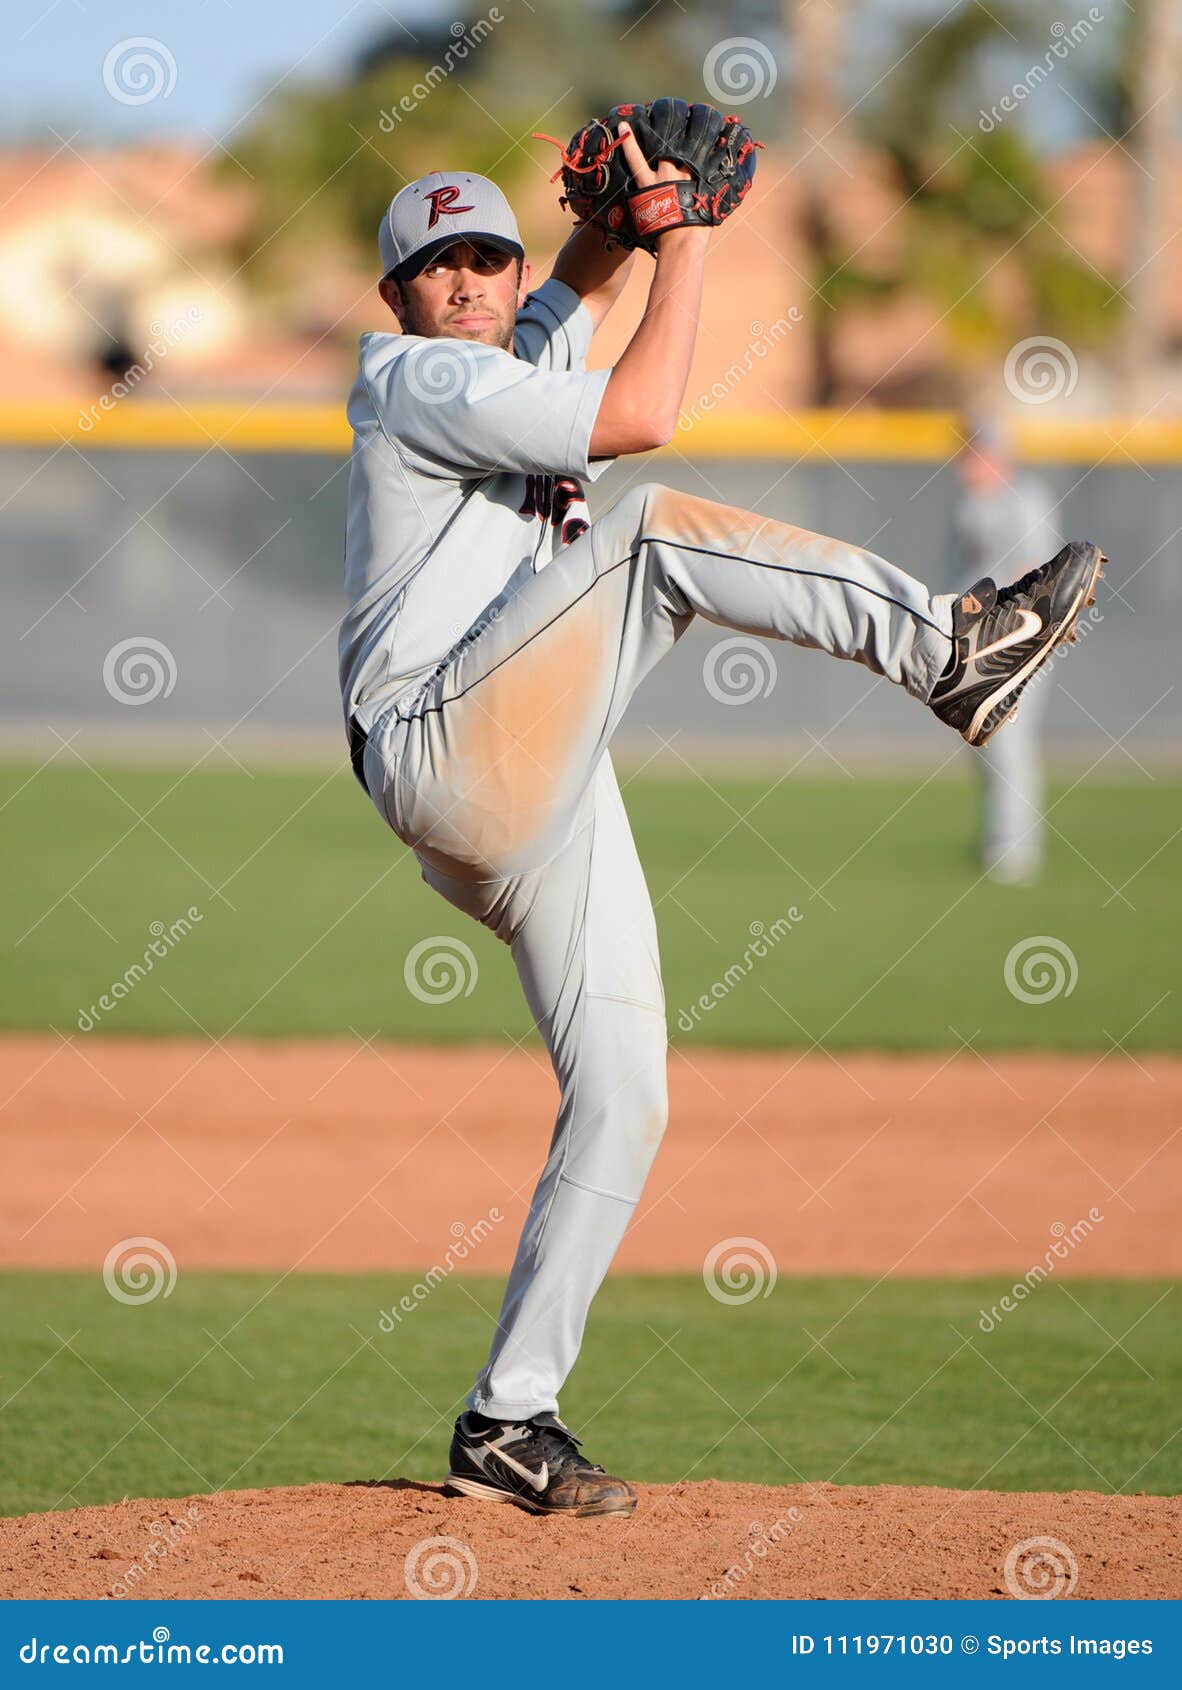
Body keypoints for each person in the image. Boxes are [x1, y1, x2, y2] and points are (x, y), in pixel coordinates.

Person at [339, 135, 1104, 1518]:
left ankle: (508, 1420)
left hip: (518, 779)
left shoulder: (507, 356)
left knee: (625, 1093)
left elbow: (558, 312)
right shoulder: (416, 378)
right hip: (441, 744)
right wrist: (681, 237)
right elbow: (639, 415)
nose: (463, 282)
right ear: (396, 294)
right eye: (433, 264)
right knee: (645, 531)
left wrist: (603, 227)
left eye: (483, 256)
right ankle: (950, 651)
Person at [952, 419, 1062, 884]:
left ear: (996, 455)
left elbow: (1035, 568)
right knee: (981, 738)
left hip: (1023, 634)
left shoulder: (1027, 498)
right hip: (982, 637)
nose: (965, 462)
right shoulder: (974, 505)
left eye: (975, 452)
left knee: (1010, 740)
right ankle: (999, 836)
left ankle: (1017, 847)